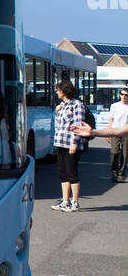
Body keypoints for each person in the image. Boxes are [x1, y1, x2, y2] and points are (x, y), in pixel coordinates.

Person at [51, 79, 84, 212]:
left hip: (70, 144)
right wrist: (57, 111)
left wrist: (74, 144)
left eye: (58, 90)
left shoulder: (77, 105)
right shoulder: (62, 105)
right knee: (62, 173)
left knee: (72, 173)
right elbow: (60, 124)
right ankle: (65, 200)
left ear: (64, 91)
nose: (56, 92)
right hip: (60, 142)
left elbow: (77, 125)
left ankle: (75, 202)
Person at [104, 88, 128, 181]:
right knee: (114, 152)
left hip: (125, 131)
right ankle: (114, 172)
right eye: (122, 94)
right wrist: (108, 133)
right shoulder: (114, 106)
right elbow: (111, 120)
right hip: (114, 130)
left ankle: (121, 174)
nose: (124, 96)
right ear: (119, 95)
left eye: (126, 95)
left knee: (125, 154)